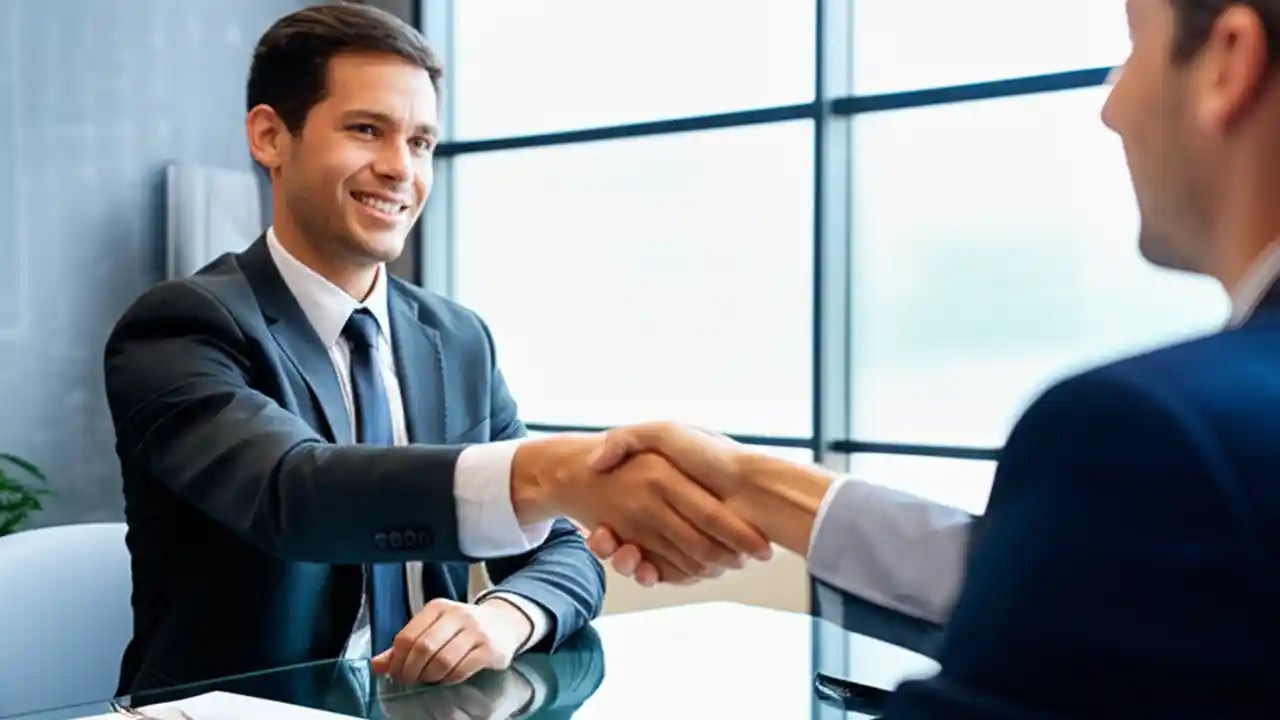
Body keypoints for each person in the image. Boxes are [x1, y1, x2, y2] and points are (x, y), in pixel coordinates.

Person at [586, 0, 1280, 715]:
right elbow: (1106, 586)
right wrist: (756, 486)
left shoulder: (1149, 432)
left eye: (1134, 48)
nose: (1112, 107)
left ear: (1228, 61)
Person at [103, 3, 769, 694]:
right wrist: (552, 470)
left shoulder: (457, 339)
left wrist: (510, 613)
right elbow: (295, 495)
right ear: (271, 136)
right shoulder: (181, 326)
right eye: (367, 130)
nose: (400, 169)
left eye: (421, 143)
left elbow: (562, 548)